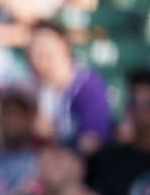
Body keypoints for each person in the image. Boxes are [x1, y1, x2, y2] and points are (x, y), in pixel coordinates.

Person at [27, 21, 112, 156]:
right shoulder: (32, 87)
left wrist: (53, 135)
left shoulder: (88, 85)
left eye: (45, 47)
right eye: (34, 48)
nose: (39, 54)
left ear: (64, 45)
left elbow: (92, 143)